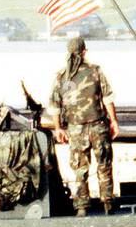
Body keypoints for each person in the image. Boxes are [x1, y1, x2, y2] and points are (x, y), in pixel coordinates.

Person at [47, 36, 119, 216]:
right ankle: (107, 202)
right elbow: (107, 99)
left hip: (75, 128)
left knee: (79, 168)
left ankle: (81, 206)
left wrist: (58, 129)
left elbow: (54, 106)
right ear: (84, 51)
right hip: (98, 126)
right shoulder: (96, 71)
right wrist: (114, 121)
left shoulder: (62, 77)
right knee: (104, 164)